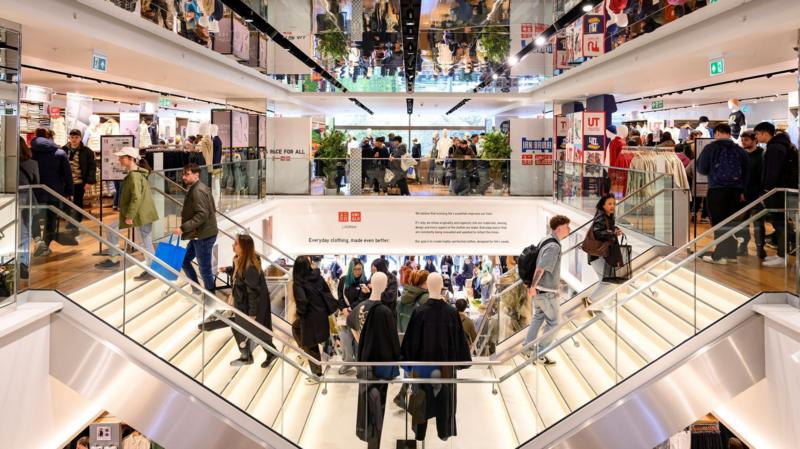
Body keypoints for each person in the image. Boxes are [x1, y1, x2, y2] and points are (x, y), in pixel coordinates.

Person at [400, 272, 472, 442]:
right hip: (445, 368)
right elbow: (458, 343)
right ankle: (444, 432)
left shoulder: (419, 312)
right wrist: (460, 362)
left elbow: (410, 343)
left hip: (423, 368)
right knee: (444, 401)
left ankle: (420, 433)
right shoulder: (452, 313)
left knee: (421, 402)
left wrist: (408, 364)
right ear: (441, 287)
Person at [353, 272, 401, 449]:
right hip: (381, 366)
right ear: (383, 286)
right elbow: (393, 341)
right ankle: (374, 444)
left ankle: (370, 441)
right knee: (377, 406)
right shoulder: (384, 311)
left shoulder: (362, 307)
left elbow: (354, 327)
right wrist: (399, 359)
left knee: (367, 406)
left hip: (366, 364)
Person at [95, 147, 158, 281]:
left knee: (143, 241)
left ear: (131, 158)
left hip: (139, 214)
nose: (119, 159)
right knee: (144, 241)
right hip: (142, 213)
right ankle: (151, 268)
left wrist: (129, 215)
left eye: (122, 157)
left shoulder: (134, 175)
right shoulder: (136, 174)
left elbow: (136, 197)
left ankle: (150, 269)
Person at [221, 234, 278, 368]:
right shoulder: (241, 260)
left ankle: (246, 356)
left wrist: (252, 313)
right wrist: (228, 270)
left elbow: (253, 292)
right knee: (257, 331)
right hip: (243, 303)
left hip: (247, 306)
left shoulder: (249, 266)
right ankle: (270, 353)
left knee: (244, 329)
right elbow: (240, 276)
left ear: (243, 247)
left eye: (236, 244)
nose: (233, 245)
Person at [696, 124, 749, 265]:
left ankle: (719, 255)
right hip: (736, 191)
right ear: (729, 133)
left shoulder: (710, 148)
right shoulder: (739, 150)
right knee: (731, 222)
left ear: (717, 133)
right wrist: (743, 190)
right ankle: (731, 254)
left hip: (717, 189)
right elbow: (747, 170)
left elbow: (701, 168)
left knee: (719, 223)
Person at [523, 215, 571, 365]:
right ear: (559, 228)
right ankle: (539, 353)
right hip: (544, 291)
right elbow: (540, 268)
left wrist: (534, 287)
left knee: (537, 318)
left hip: (540, 291)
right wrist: (533, 286)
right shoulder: (554, 246)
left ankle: (527, 350)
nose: (569, 229)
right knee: (555, 323)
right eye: (567, 226)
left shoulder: (547, 239)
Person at [755, 122, 796, 267]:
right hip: (781, 190)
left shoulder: (775, 148)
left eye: (757, 134)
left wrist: (767, 189)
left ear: (765, 133)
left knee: (780, 224)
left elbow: (772, 172)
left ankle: (782, 256)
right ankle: (781, 254)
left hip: (776, 192)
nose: (756, 137)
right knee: (780, 223)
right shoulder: (783, 145)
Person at [175, 163, 219, 292]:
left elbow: (202, 214)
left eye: (187, 174)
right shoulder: (198, 188)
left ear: (196, 174)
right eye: (183, 174)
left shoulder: (198, 190)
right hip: (198, 235)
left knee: (205, 270)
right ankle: (196, 289)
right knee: (184, 260)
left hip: (203, 236)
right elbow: (210, 210)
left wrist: (183, 228)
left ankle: (211, 299)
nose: (184, 177)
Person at [31, 128, 74, 255]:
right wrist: (69, 192)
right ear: (50, 137)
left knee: (34, 217)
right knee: (51, 219)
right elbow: (67, 175)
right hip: (54, 190)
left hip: (34, 191)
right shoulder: (59, 153)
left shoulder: (29, 152)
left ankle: (39, 242)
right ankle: (45, 244)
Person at [293, 256, 335, 381]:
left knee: (310, 344)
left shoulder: (299, 282)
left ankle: (317, 374)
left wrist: (300, 313)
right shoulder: (317, 277)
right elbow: (327, 292)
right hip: (321, 315)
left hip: (309, 317)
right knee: (297, 329)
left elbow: (302, 301)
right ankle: (304, 351)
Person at [585, 194, 624, 307]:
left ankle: (602, 305)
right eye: (609, 204)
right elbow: (598, 233)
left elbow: (604, 230)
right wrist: (612, 233)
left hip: (598, 255)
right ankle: (590, 301)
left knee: (605, 280)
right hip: (599, 255)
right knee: (609, 280)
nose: (613, 206)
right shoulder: (601, 217)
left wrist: (614, 229)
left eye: (614, 204)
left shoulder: (607, 217)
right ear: (603, 205)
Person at [735, 131, 766, 258]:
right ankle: (743, 246)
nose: (744, 142)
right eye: (742, 140)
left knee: (758, 222)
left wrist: (761, 193)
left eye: (746, 140)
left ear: (755, 140)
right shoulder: (740, 154)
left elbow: (763, 176)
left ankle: (760, 247)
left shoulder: (762, 155)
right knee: (742, 222)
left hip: (757, 193)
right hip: (743, 194)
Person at [336, 259, 370, 374]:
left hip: (357, 316)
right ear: (351, 269)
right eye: (355, 269)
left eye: (359, 269)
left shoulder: (364, 281)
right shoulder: (344, 280)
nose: (357, 272)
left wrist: (349, 309)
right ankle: (347, 363)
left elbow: (362, 299)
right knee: (345, 341)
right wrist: (343, 308)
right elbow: (340, 297)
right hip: (344, 316)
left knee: (358, 342)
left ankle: (359, 365)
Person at [63, 129, 96, 226]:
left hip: (79, 182)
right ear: (69, 137)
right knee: (66, 202)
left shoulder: (87, 151)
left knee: (78, 202)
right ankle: (69, 220)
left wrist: (89, 181)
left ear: (80, 138)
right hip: (66, 182)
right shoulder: (63, 150)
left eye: (76, 137)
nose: (74, 139)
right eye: (72, 137)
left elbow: (92, 167)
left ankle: (76, 223)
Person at [18, 138, 39, 279]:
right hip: (27, 199)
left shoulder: (4, 162)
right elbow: (36, 182)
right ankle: (23, 264)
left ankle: (6, 263)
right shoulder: (32, 163)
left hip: (8, 199)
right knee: (25, 233)